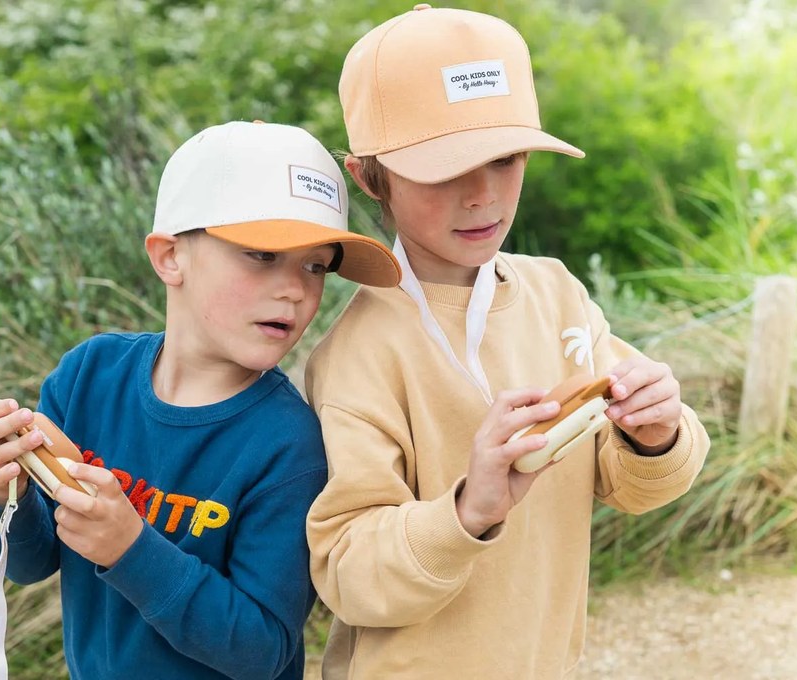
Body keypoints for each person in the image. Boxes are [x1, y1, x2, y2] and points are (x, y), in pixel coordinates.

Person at [304, 6, 711, 678]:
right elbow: (347, 571)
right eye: (443, 170)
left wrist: (656, 434)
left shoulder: (557, 296)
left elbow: (633, 483)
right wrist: (469, 510)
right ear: (367, 176)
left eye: (507, 157)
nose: (483, 194)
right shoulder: (358, 355)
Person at [0, 120, 400, 680]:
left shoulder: (291, 446)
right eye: (263, 255)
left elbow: (263, 650)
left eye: (316, 265)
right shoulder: (88, 377)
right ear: (170, 256)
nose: (296, 287)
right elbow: (29, 561)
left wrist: (130, 547)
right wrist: (4, 489)